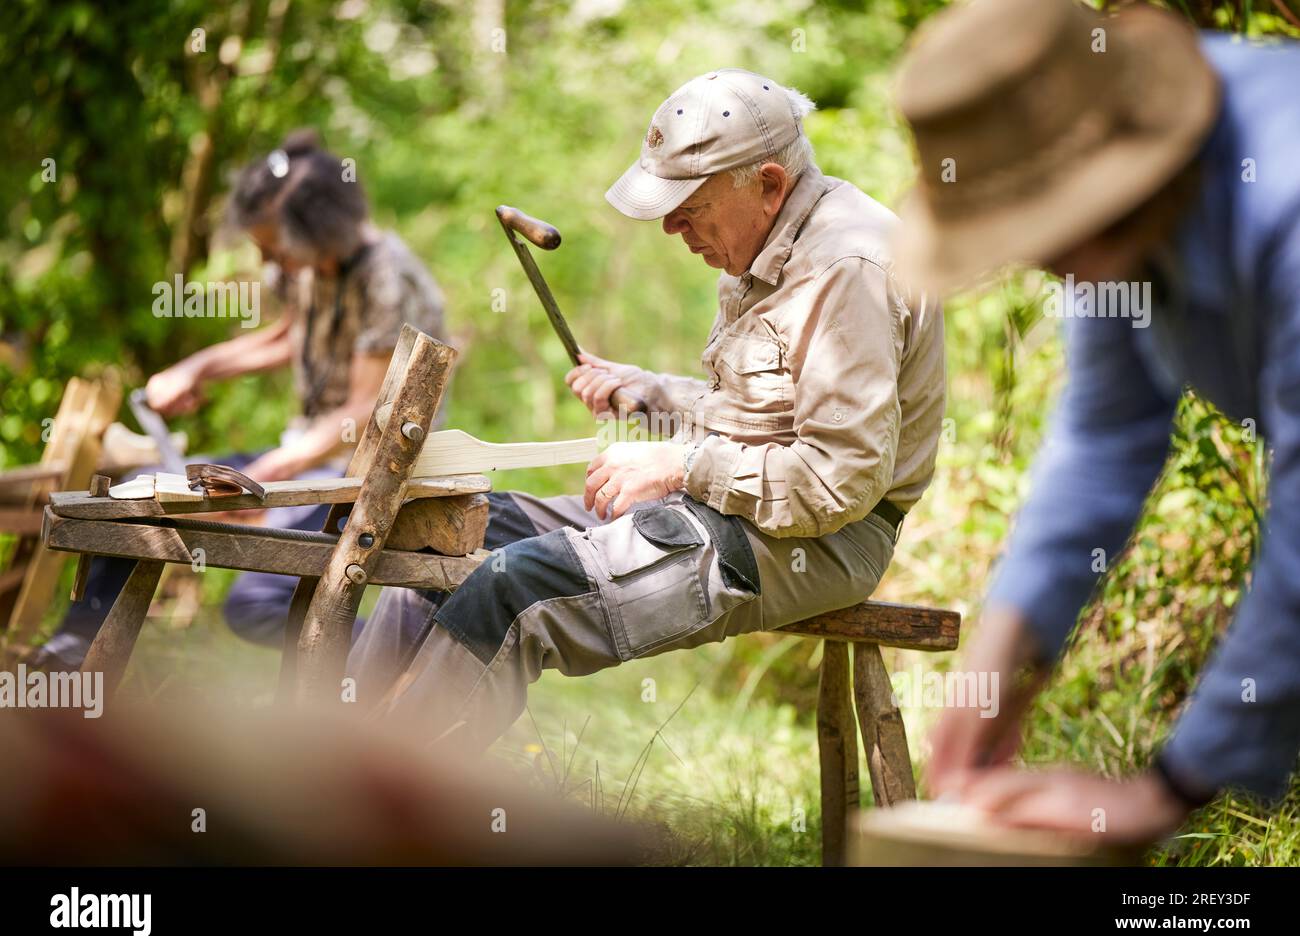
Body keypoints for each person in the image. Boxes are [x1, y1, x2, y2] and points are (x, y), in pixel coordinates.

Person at [346, 70, 946, 751]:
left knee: (516, 591)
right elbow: (759, 414)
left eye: (689, 204)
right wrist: (651, 393)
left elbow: (838, 484)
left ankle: (378, 811)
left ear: (769, 183)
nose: (670, 226)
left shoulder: (847, 266)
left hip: (813, 543)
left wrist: (679, 464)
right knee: (452, 539)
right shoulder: (764, 237)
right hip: (736, 511)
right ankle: (332, 769)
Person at [892, 0, 1300, 844]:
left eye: (1044, 231)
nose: (1038, 259)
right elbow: (1104, 440)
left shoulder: (1286, 198)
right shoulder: (1122, 222)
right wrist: (998, 662)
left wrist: (1167, 787)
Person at [32, 130, 448, 670]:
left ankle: (410, 663)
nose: (265, 257)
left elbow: (365, 414)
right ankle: (71, 651)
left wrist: (261, 480)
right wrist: (198, 368)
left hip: (363, 477)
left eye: (272, 246)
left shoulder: (388, 278)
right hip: (307, 459)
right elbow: (285, 337)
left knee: (257, 604)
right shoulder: (313, 267)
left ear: (318, 230)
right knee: (138, 496)